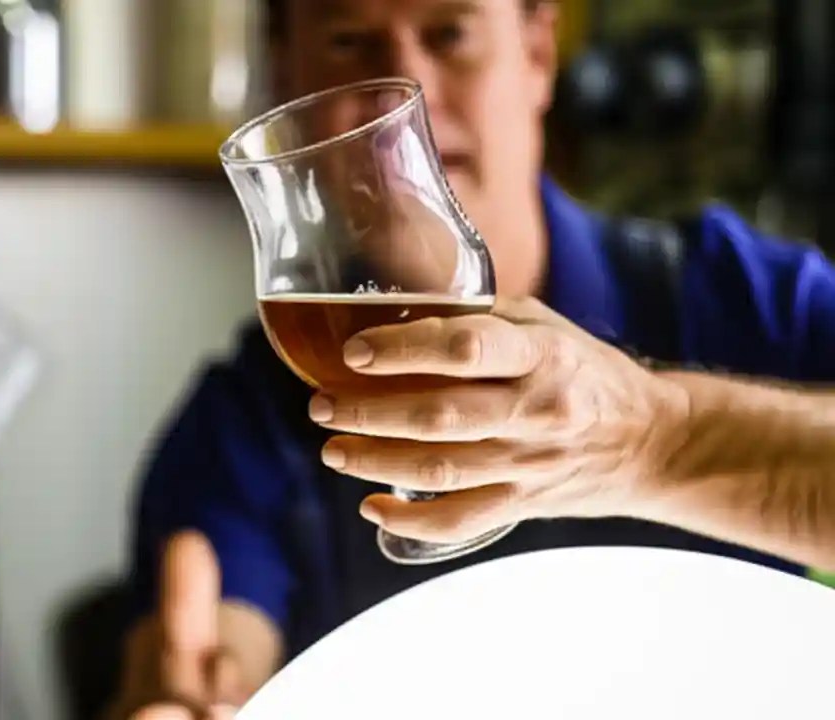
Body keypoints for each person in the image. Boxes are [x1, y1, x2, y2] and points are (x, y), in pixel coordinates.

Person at [109, 1, 835, 718]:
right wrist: (190, 695)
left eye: (450, 34)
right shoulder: (242, 423)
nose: (405, 81)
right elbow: (216, 653)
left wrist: (655, 436)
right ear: (285, 75)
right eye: (348, 41)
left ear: (538, 55)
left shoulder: (759, 305)